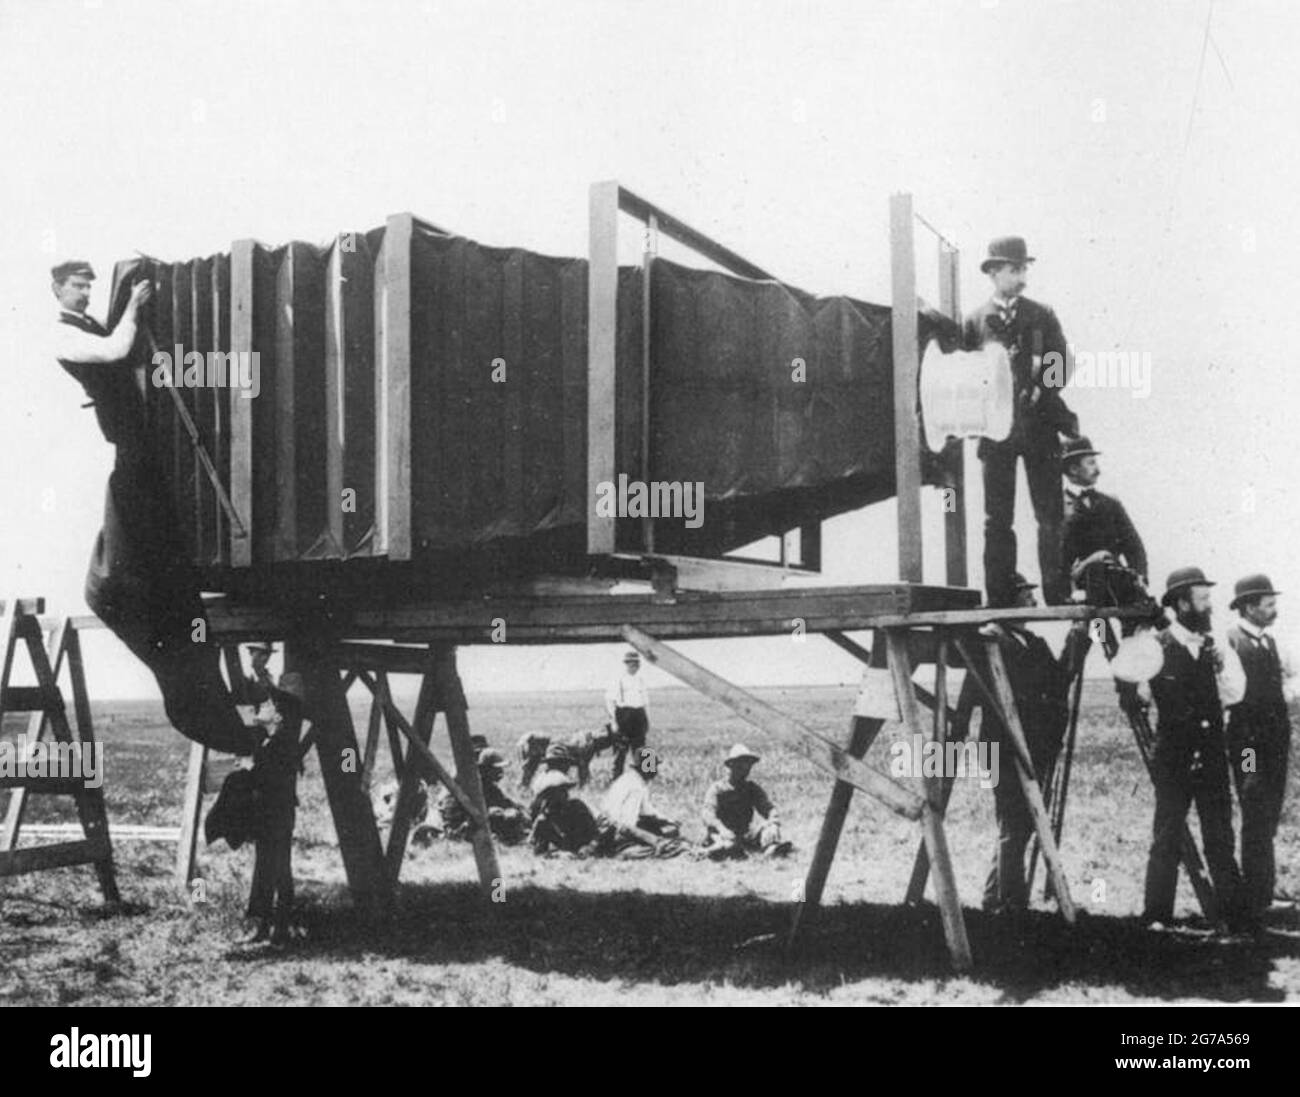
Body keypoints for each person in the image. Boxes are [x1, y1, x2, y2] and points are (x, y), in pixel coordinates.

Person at [51, 260, 257, 757]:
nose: (83, 294)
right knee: (139, 508)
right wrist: (136, 309)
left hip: (140, 438)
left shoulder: (88, 325)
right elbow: (117, 349)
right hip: (128, 439)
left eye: (88, 287)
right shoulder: (62, 335)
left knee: (151, 514)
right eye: (77, 286)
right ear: (57, 289)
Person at [1120, 567, 1252, 934]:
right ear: (1182, 603)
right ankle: (1157, 915)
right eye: (1203, 598)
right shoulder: (1155, 645)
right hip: (1174, 757)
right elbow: (1136, 694)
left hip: (1211, 756)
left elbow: (1234, 695)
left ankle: (1235, 915)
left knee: (1220, 837)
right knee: (1167, 835)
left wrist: (1222, 669)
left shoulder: (1215, 647)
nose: (1210, 605)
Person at [963, 237, 1080, 607]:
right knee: (997, 519)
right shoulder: (975, 321)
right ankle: (999, 595)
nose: (1021, 276)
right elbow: (966, 373)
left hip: (1040, 428)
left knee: (1050, 515)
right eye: (1014, 269)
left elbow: (1062, 363)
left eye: (1024, 268)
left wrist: (1042, 390)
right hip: (996, 433)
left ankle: (1058, 593)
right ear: (994, 272)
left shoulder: (1041, 314)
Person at [971, 574, 1071, 913]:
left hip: (1033, 744)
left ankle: (997, 897)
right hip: (1002, 746)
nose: (1033, 602)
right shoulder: (991, 640)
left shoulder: (1032, 641)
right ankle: (1008, 902)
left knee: (1021, 824)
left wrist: (1079, 639)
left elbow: (1059, 679)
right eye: (1026, 596)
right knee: (1015, 822)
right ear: (1008, 603)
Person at [1225, 574, 1297, 916]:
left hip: (1275, 743)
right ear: (1250, 607)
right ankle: (1254, 895)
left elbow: (1290, 678)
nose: (1274, 610)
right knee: (1254, 806)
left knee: (1268, 811)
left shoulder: (1271, 642)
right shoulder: (1230, 641)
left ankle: (1264, 891)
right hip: (1248, 748)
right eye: (1268, 605)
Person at [699, 744, 791, 859]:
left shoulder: (751, 788)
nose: (746, 769)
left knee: (767, 829)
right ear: (732, 765)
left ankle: (771, 849)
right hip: (721, 833)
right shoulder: (717, 789)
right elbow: (707, 814)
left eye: (748, 765)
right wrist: (722, 830)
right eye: (741, 765)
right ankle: (712, 851)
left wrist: (774, 823)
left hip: (744, 833)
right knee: (728, 846)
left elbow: (768, 808)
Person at [598, 747, 685, 857]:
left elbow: (647, 811)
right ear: (646, 767)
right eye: (654, 766)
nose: (656, 771)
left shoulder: (631, 779)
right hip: (616, 832)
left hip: (611, 828)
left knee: (667, 830)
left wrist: (668, 820)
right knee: (666, 840)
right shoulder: (636, 787)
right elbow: (627, 821)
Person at [438, 749, 529, 845]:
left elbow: (505, 802)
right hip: (460, 829)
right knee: (496, 814)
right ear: (486, 769)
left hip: (474, 825)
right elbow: (452, 821)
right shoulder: (470, 787)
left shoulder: (488, 785)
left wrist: (521, 811)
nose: (501, 772)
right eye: (496, 769)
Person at [528, 745, 600, 855]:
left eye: (564, 791)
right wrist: (558, 853)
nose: (564, 795)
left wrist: (590, 847)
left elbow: (595, 833)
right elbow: (537, 847)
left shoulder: (576, 807)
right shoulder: (544, 816)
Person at [516, 725, 615, 790]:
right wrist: (584, 787)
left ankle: (523, 788)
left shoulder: (586, 740)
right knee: (528, 770)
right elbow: (583, 769)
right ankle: (523, 788)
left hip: (528, 741)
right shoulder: (587, 744)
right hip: (532, 743)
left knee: (528, 771)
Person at [605, 650, 650, 778]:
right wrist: (614, 721)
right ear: (626, 664)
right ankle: (616, 778)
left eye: (636, 664)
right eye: (631, 664)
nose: (634, 667)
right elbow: (609, 700)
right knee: (620, 749)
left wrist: (647, 719)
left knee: (642, 749)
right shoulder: (618, 679)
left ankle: (648, 775)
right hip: (624, 716)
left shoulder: (641, 680)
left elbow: (646, 702)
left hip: (639, 715)